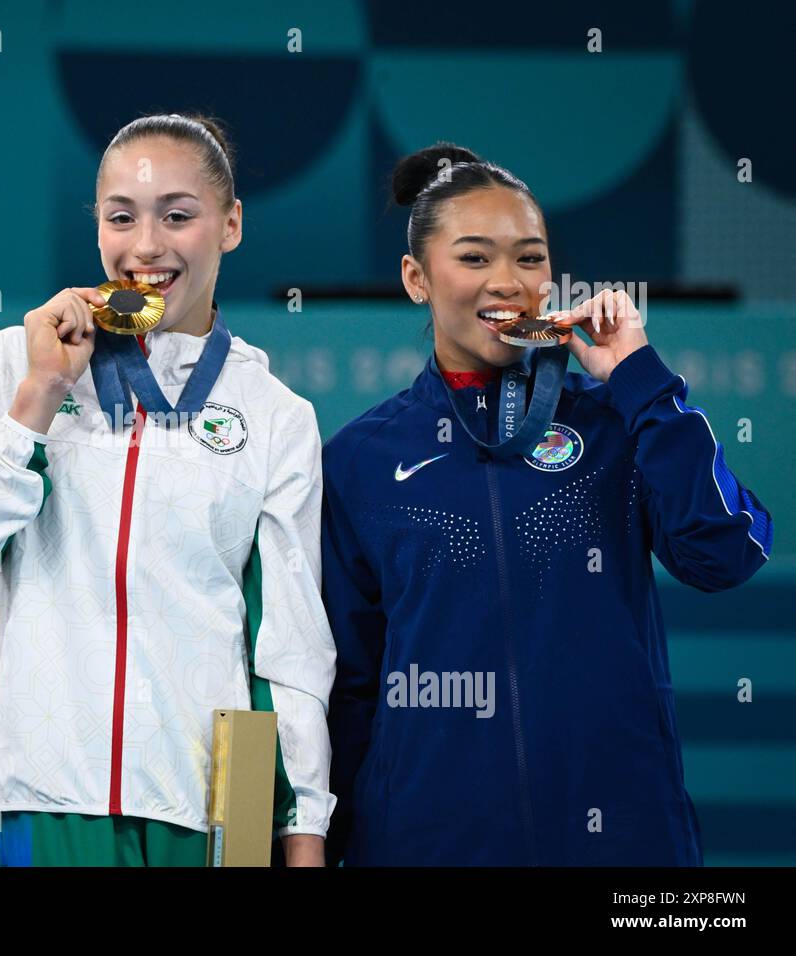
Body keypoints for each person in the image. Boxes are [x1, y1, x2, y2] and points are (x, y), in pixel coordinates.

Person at [322, 143, 773, 866]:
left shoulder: (616, 419)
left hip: (623, 841)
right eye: (473, 258)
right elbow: (349, 684)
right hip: (428, 846)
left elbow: (723, 552)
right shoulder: (360, 458)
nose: (508, 282)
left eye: (530, 259)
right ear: (416, 278)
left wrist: (639, 379)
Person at [0, 113, 335, 866]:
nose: (146, 246)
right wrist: (39, 397)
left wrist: (302, 836)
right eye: (121, 217)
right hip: (51, 800)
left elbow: (291, 648)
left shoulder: (276, 415)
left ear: (231, 224)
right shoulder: (19, 359)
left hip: (209, 810)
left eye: (178, 215)